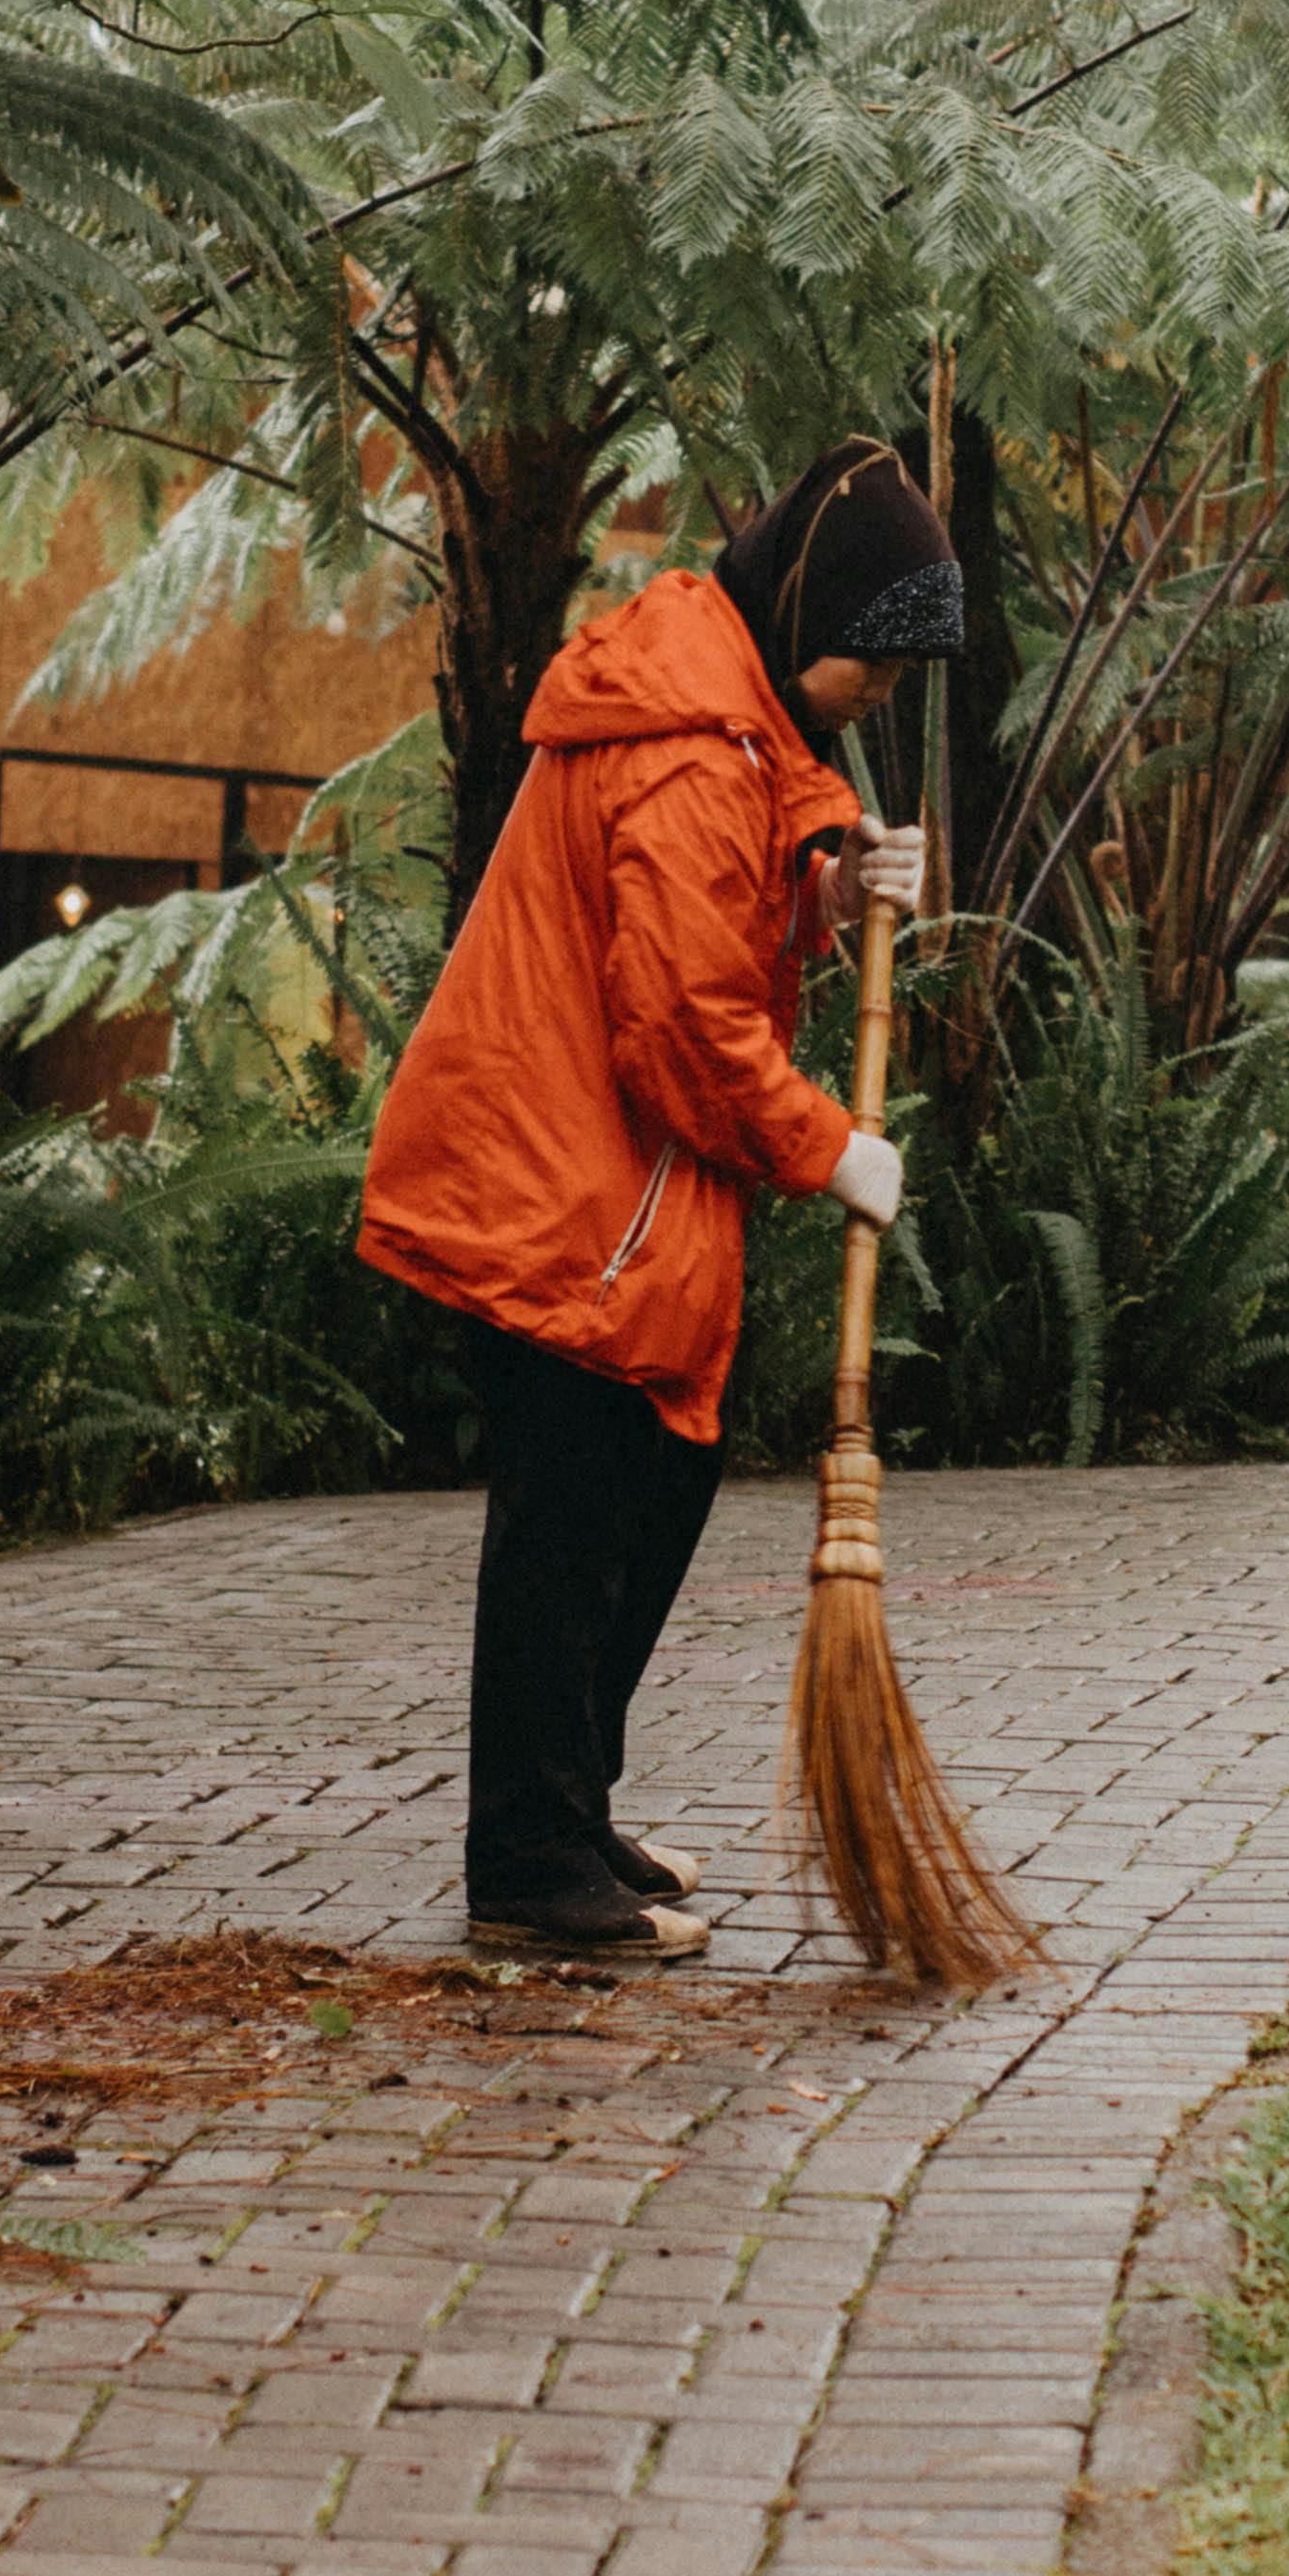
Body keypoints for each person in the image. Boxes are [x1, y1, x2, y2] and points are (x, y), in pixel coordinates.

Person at [358, 438, 965, 1955]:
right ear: (806, 610)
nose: (878, 698)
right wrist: (830, 1146)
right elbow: (685, 1025)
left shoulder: (731, 718)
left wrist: (826, 895)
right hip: (562, 1188)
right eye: (870, 668)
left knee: (649, 1492)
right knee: (570, 1525)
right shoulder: (693, 749)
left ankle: (568, 1811)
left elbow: (728, 916)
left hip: (602, 1186)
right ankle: (528, 1870)